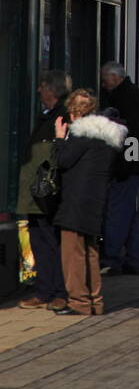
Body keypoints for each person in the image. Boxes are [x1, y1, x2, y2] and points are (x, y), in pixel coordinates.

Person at [51, 89, 128, 317]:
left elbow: (63, 161)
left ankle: (79, 302)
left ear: (74, 112)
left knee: (72, 253)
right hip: (96, 200)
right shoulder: (107, 137)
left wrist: (58, 137)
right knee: (91, 252)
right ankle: (96, 300)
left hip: (76, 201)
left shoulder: (80, 133)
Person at [16, 70, 71, 310]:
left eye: (42, 86)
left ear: (50, 89)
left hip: (49, 194)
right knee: (39, 240)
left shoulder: (62, 117)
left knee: (51, 241)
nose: (38, 90)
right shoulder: (47, 115)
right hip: (36, 193)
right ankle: (44, 289)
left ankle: (59, 291)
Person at [99, 62, 139, 277]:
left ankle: (111, 259)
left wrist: (125, 164)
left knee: (117, 211)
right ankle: (135, 259)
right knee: (127, 212)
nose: (102, 83)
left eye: (104, 79)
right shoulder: (131, 93)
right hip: (131, 163)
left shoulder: (125, 97)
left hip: (125, 165)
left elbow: (132, 133)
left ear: (115, 77)